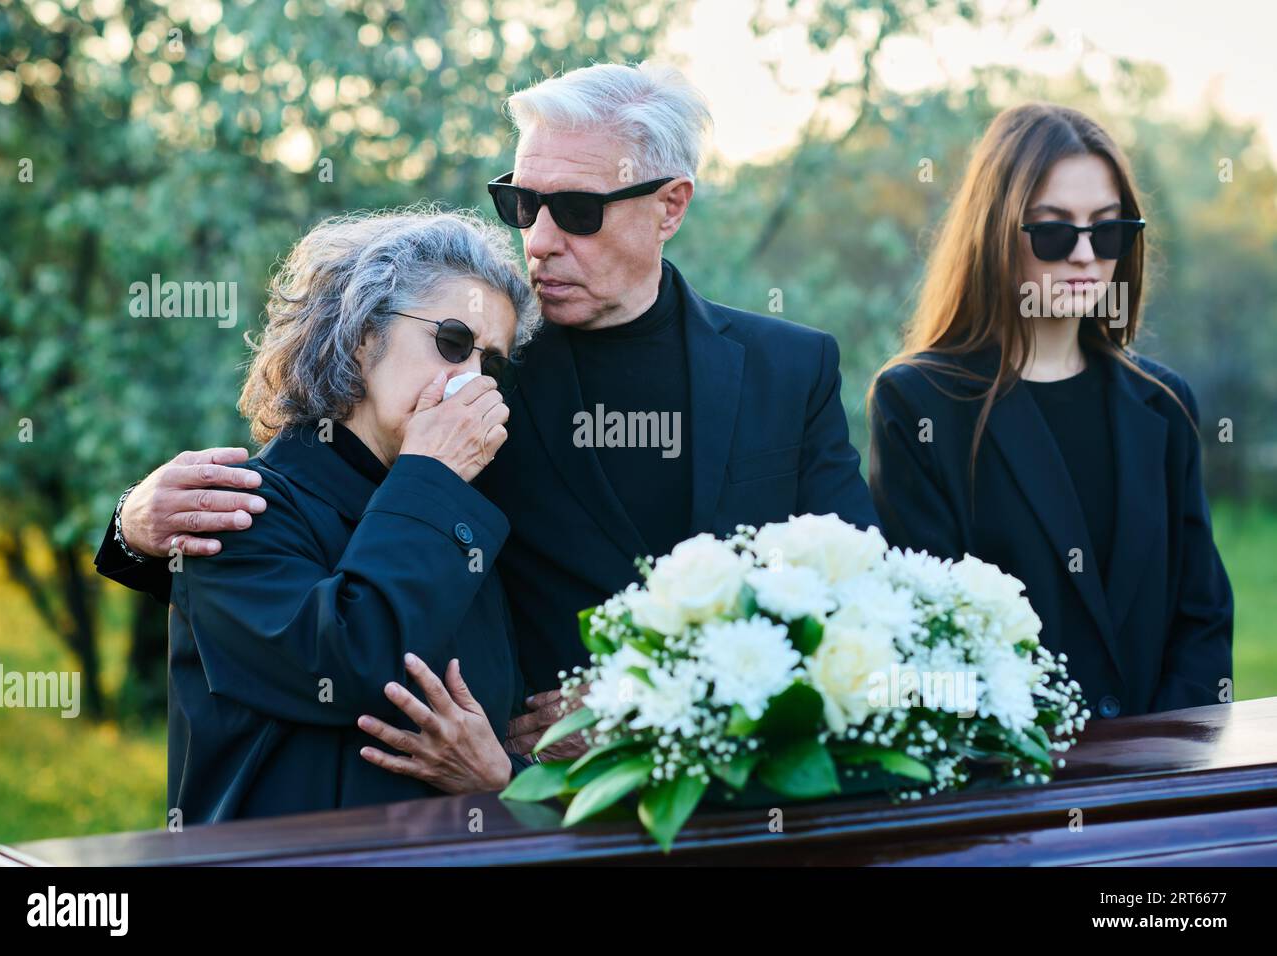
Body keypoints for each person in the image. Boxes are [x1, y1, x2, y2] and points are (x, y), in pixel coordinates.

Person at [95, 63, 880, 765]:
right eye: (522, 202)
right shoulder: (471, 357)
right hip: (520, 810)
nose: (537, 240)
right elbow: (323, 517)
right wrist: (133, 529)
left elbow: (858, 601)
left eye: (575, 209)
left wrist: (663, 711)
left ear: (670, 205)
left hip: (752, 808)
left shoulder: (790, 365)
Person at [150, 208, 540, 822]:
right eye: (453, 342)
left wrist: (501, 777)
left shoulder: (466, 521)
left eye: (491, 364)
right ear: (363, 337)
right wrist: (433, 477)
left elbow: (488, 733)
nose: (471, 383)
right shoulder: (245, 508)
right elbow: (356, 663)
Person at [868, 103, 1232, 719]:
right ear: (996, 233)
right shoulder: (918, 402)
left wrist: (1156, 765)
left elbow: (1201, 621)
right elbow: (927, 639)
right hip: (1012, 791)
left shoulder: (1163, 405)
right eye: (1055, 230)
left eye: (1109, 229)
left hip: (1160, 790)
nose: (1086, 255)